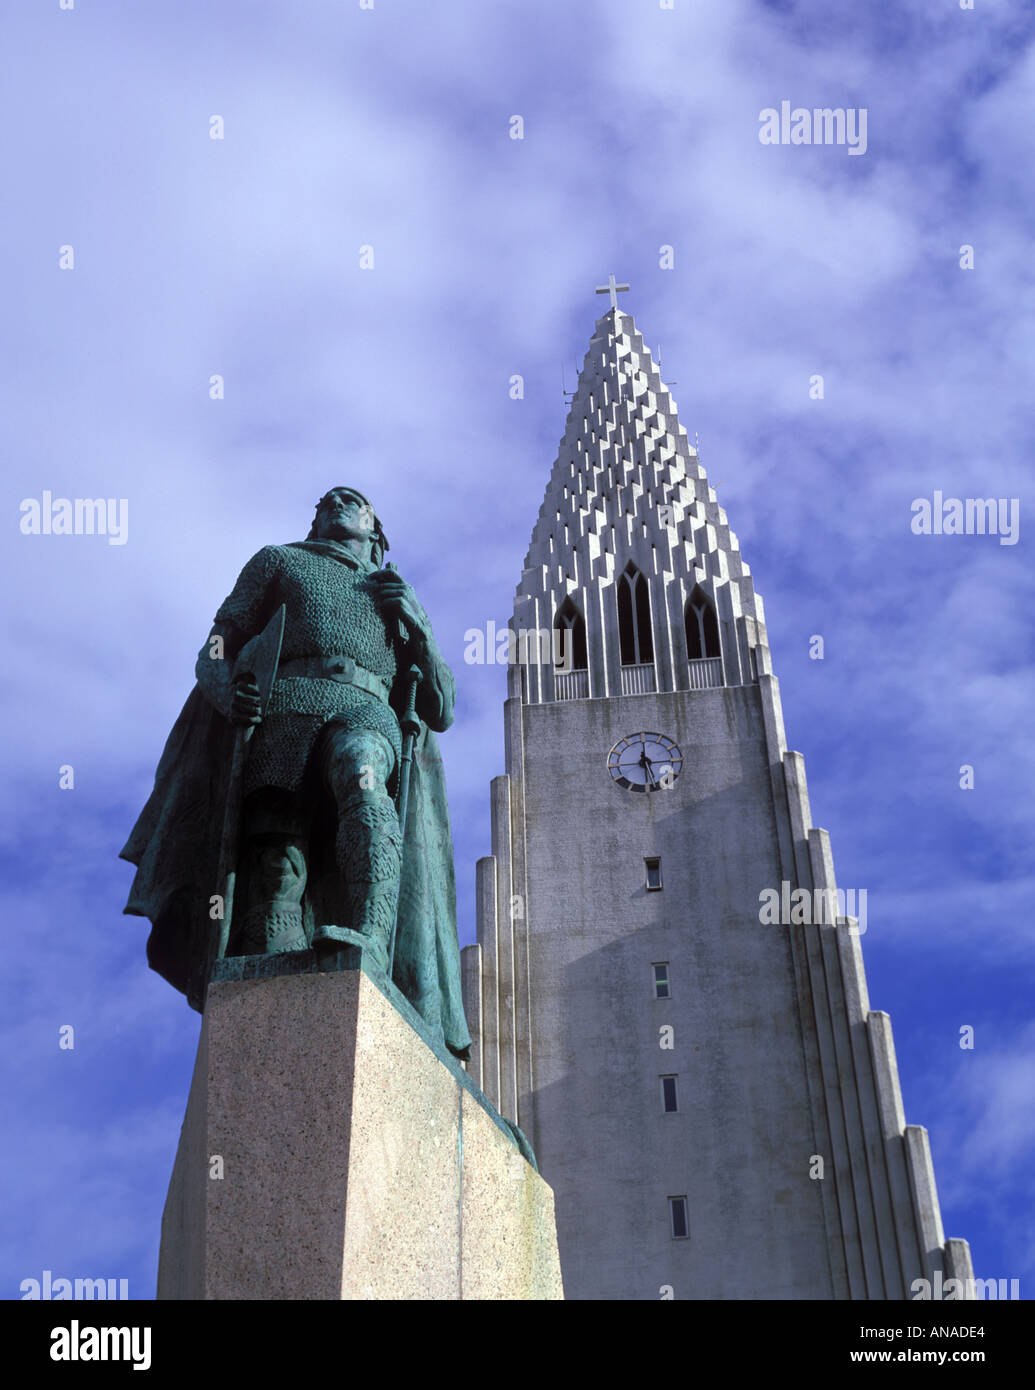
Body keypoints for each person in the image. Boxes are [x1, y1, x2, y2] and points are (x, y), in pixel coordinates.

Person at [120, 487, 471, 1060]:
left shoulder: (396, 595)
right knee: (277, 867)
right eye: (327, 499)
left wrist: (421, 632)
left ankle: (372, 940)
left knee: (361, 775)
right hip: (282, 710)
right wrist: (225, 689)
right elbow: (215, 647)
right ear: (314, 519)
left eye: (353, 500)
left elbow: (442, 709)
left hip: (363, 707)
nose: (337, 501)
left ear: (375, 532)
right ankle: (275, 998)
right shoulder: (278, 561)